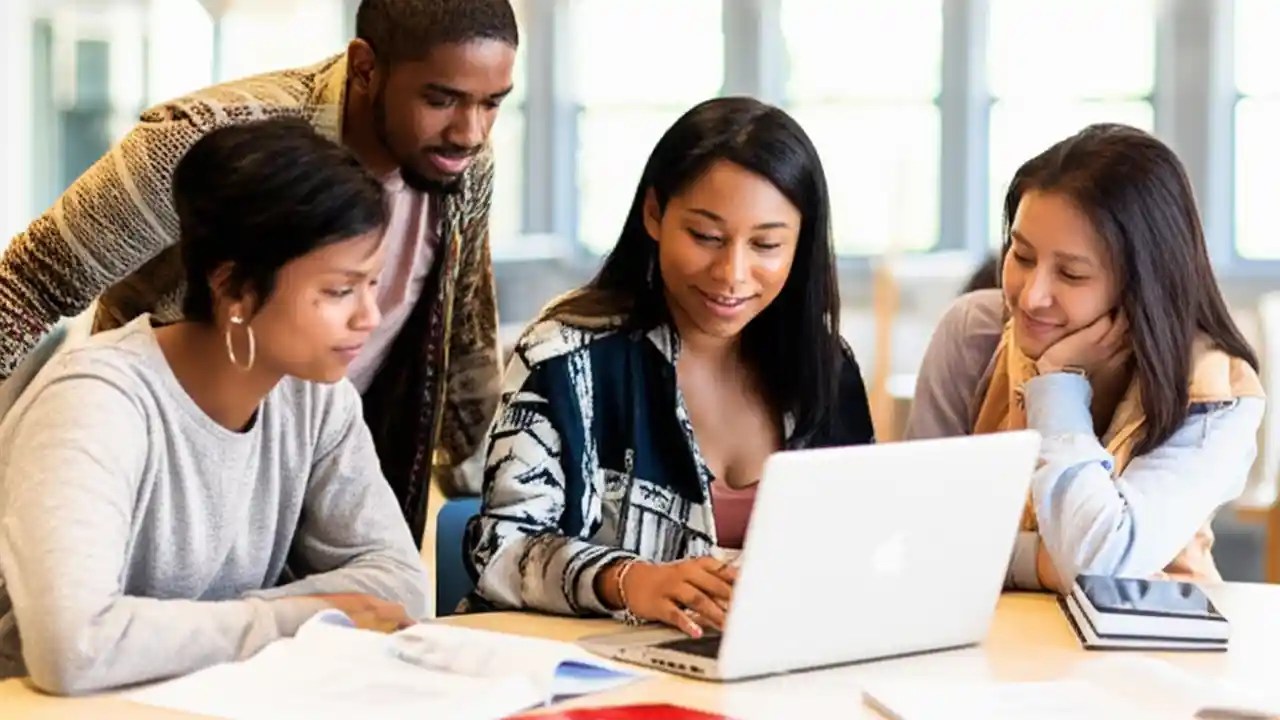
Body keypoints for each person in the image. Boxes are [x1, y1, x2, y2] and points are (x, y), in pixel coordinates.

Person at [0, 0, 519, 543]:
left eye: (492, 105)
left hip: (327, 492)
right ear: (366, 68)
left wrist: (498, 519)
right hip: (166, 494)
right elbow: (27, 284)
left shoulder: (462, 163)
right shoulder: (203, 139)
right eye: (441, 100)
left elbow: (463, 343)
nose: (471, 132)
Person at [0, 119, 430, 694]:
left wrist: (192, 630)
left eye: (372, 285)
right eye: (338, 290)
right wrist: (306, 614)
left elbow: (400, 586)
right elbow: (74, 646)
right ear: (236, 289)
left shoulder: (317, 398)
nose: (368, 318)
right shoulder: (95, 401)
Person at [463, 97, 876, 636]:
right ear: (654, 214)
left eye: (766, 245)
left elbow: (863, 540)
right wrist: (630, 581)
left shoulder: (825, 365)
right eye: (705, 237)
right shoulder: (563, 357)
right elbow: (501, 550)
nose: (732, 273)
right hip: (596, 673)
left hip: (781, 667)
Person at [905, 124, 1264, 593]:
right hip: (986, 646)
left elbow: (1099, 561)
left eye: (1071, 274)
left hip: (1152, 657)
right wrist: (1044, 565)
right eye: (1023, 255)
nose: (1032, 297)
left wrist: (1057, 384)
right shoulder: (974, 332)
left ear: (1143, 283)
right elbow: (916, 533)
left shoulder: (1215, 392)